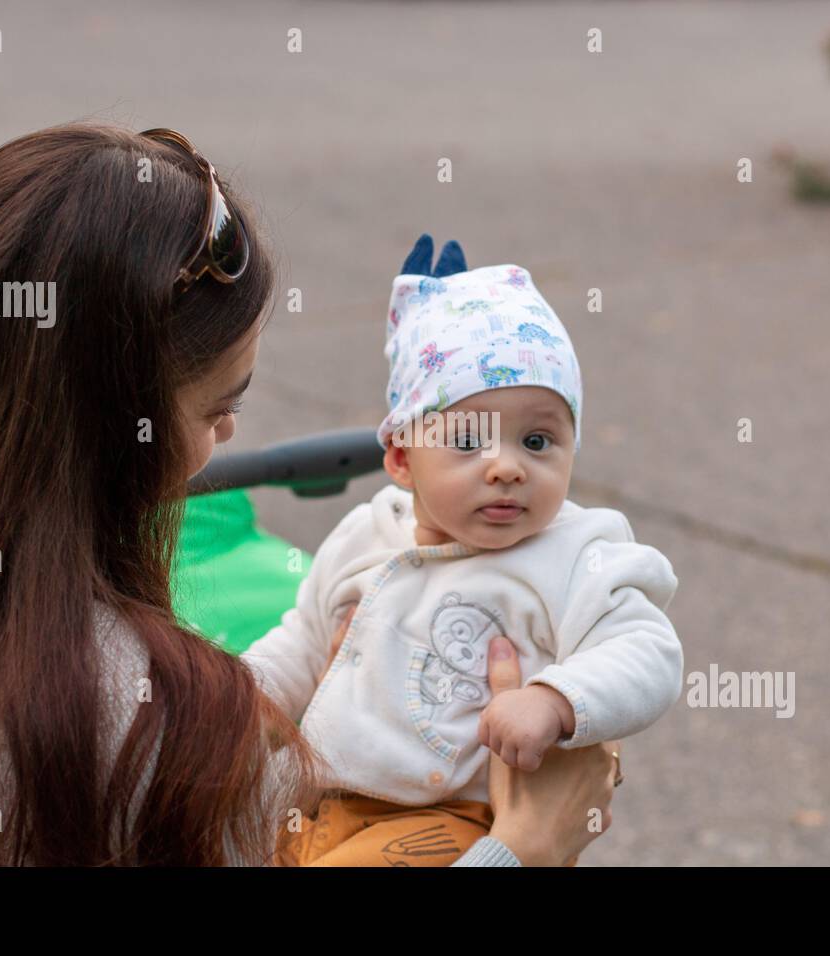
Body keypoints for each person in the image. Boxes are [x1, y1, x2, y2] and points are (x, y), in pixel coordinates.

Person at [0, 123, 616, 866]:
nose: (225, 437)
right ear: (115, 429)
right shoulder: (150, 722)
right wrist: (524, 849)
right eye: (219, 408)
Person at [243, 238, 683, 866]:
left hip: (452, 818)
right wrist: (243, 701)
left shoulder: (578, 553)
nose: (507, 467)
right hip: (317, 800)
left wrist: (556, 701)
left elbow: (649, 652)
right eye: (468, 440)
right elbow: (306, 642)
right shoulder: (365, 536)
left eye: (538, 439)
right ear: (400, 457)